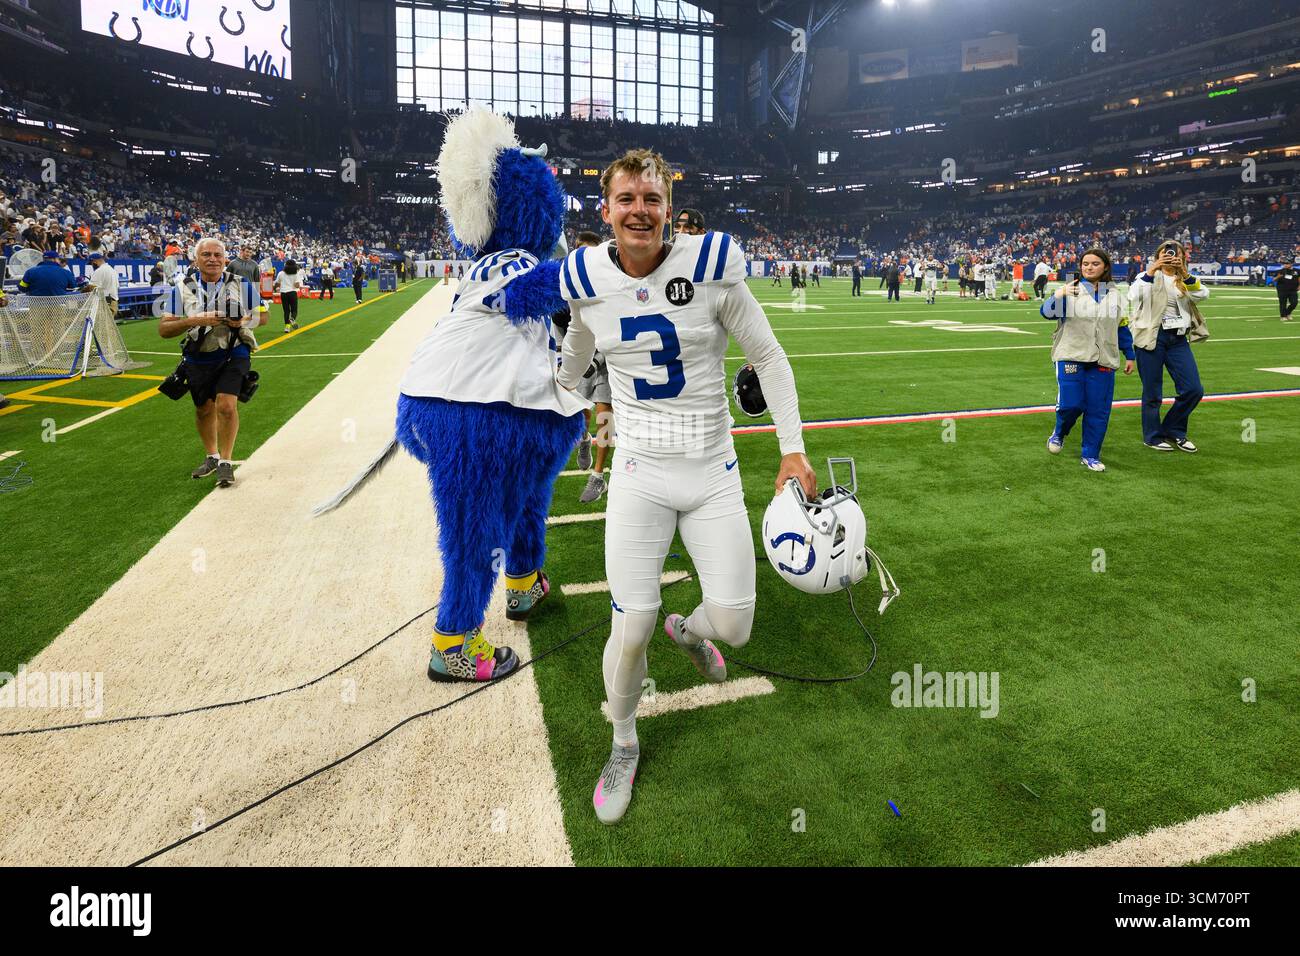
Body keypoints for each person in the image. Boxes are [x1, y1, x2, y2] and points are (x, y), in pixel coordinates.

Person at [557, 148, 814, 825]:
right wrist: (557, 379)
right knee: (629, 622)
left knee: (734, 624)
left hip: (711, 468)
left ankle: (690, 630)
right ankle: (623, 742)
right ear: (606, 210)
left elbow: (768, 355)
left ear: (668, 209)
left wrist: (792, 448)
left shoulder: (710, 268)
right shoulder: (584, 277)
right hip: (639, 472)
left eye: (652, 198)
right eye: (627, 199)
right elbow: (578, 356)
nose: (640, 210)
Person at [158, 237, 264, 488]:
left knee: (226, 406)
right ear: (196, 259)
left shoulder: (241, 284)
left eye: (218, 255)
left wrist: (244, 321)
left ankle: (226, 461)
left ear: (225, 259)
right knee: (203, 409)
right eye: (206, 254)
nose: (213, 259)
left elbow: (263, 316)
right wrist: (195, 320)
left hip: (234, 351)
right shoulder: (182, 288)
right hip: (198, 355)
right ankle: (212, 456)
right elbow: (164, 329)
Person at [1042, 249, 1135, 472]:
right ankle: (1060, 431)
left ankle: (1090, 454)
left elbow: (1121, 326)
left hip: (1104, 357)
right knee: (1071, 404)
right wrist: (1058, 295)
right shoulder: (1070, 288)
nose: (1089, 267)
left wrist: (1129, 354)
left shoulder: (1114, 293)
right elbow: (1046, 313)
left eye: (1095, 263)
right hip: (1071, 353)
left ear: (1105, 266)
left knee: (1098, 409)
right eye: (1085, 263)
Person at [1128, 239, 1208, 452]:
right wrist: (1152, 270)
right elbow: (1133, 296)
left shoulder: (1185, 280)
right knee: (1153, 392)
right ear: (1157, 256)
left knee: (1193, 389)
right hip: (1152, 337)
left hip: (1178, 339)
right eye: (1166, 253)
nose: (1171, 256)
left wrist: (1185, 273)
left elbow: (1203, 295)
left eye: (1176, 254)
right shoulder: (1146, 277)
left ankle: (1174, 429)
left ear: (1183, 258)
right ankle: (1152, 436)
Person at [83, 250, 119, 321]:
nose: (91, 265)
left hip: (104, 303)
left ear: (95, 261)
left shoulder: (99, 271)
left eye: (91, 263)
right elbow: (117, 286)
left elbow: (91, 288)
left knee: (103, 329)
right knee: (108, 328)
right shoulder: (112, 270)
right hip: (113, 302)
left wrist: (83, 289)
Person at [276, 259, 304, 332]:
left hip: (283, 293)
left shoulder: (281, 273)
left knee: (286, 311)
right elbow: (297, 285)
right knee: (294, 310)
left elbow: (277, 284)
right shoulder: (296, 273)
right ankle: (292, 319)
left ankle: (287, 327)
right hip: (292, 292)